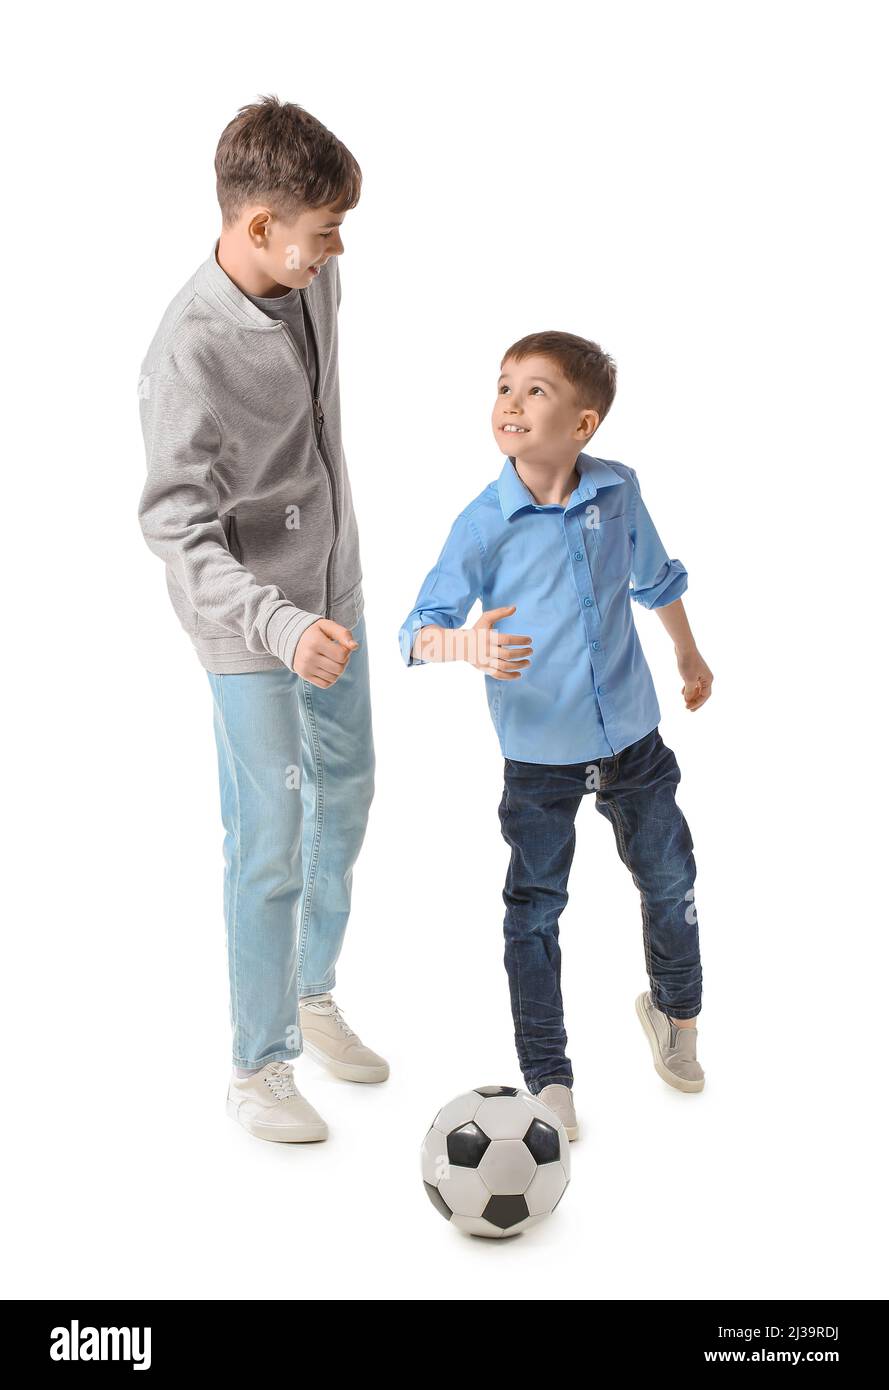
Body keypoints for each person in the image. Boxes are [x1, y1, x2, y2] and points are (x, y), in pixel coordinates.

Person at [137, 96, 386, 1145]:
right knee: (271, 836)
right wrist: (279, 626)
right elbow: (176, 531)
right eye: (322, 229)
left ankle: (310, 990)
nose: (337, 249)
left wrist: (325, 600)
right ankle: (258, 1062)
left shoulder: (313, 278)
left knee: (349, 795)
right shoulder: (188, 351)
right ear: (255, 228)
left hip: (337, 600)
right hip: (250, 635)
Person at [398, 332, 713, 1140]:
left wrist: (686, 652)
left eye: (534, 390)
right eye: (503, 385)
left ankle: (676, 1017)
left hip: (633, 741)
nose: (509, 401)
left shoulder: (617, 491)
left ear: (583, 424)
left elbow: (655, 577)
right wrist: (464, 642)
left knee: (670, 881)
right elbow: (417, 630)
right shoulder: (482, 523)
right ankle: (549, 1073)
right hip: (538, 757)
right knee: (534, 910)